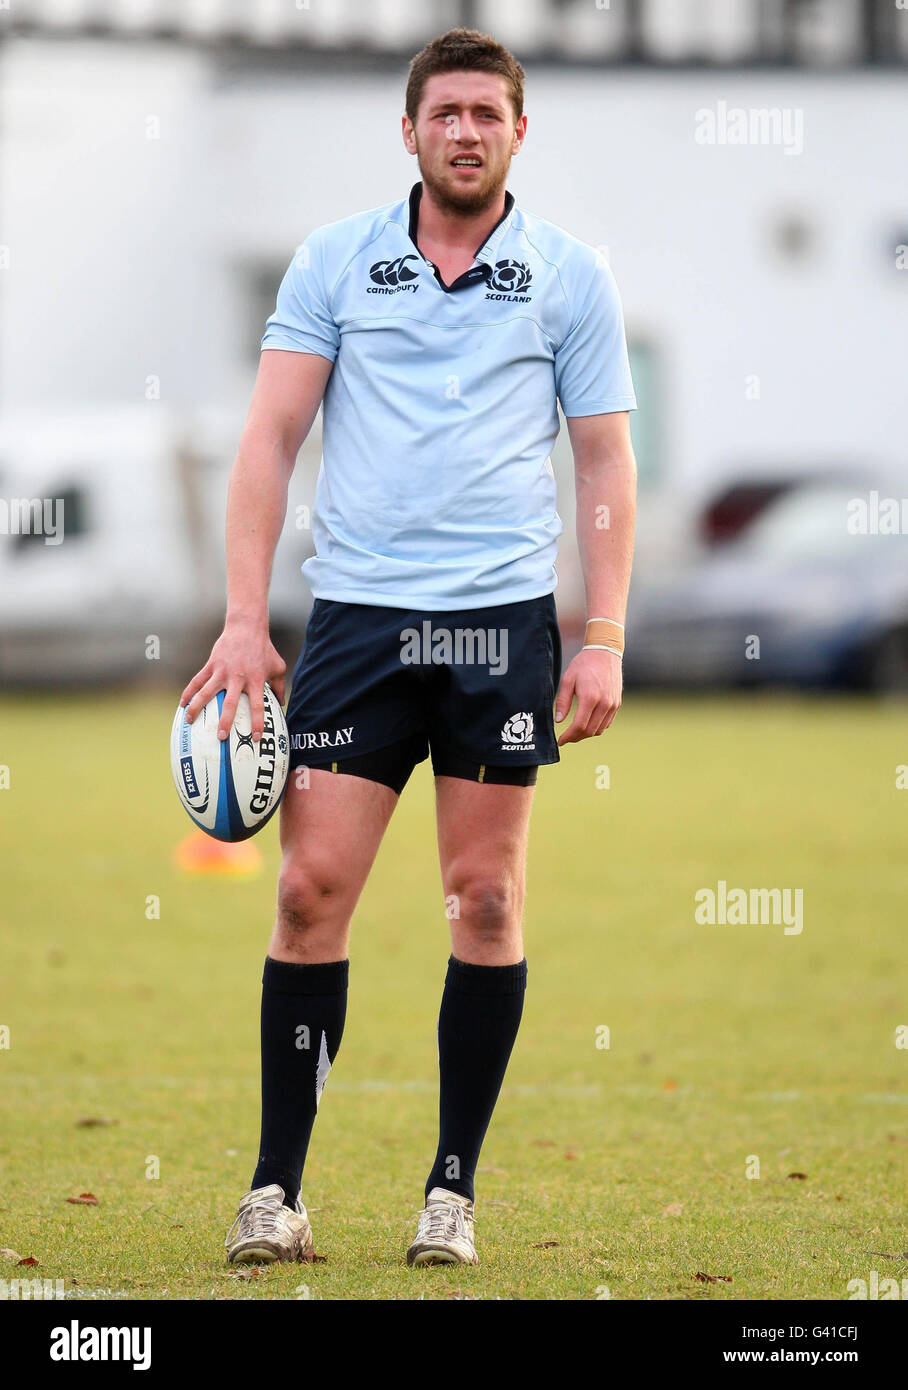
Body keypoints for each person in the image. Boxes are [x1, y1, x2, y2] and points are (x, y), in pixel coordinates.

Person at [182, 26, 637, 1269]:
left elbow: (601, 459)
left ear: (516, 132)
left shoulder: (566, 275)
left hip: (497, 628)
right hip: (357, 625)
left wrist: (598, 634)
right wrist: (241, 617)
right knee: (304, 891)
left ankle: (451, 1191)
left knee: (483, 898)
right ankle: (274, 1191)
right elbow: (270, 439)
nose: (465, 130)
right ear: (409, 131)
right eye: (444, 112)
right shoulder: (334, 261)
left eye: (487, 113)